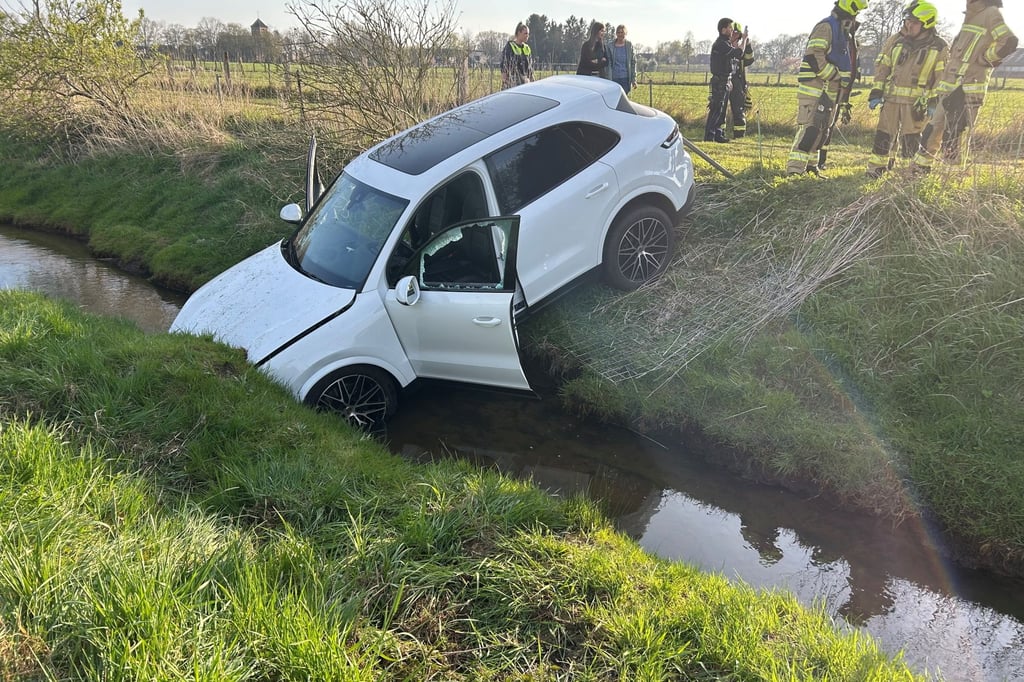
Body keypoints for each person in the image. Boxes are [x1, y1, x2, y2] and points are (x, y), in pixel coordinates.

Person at [910, 0, 1017, 172]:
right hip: (950, 88)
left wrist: (983, 60)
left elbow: (1009, 41)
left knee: (956, 135)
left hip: (968, 88)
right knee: (933, 129)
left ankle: (952, 178)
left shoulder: (991, 13)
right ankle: (920, 169)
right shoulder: (970, 16)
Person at [865, 2, 948, 178]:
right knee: (883, 135)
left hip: (917, 104)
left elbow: (941, 79)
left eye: (914, 22)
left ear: (927, 23)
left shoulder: (939, 47)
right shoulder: (897, 41)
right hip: (891, 99)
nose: (908, 25)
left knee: (912, 140)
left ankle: (910, 174)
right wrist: (876, 92)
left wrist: (934, 102)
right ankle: (876, 170)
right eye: (907, 21)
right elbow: (883, 68)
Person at [786, 0, 867, 177]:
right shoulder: (826, 27)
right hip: (816, 87)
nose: (855, 18)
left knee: (822, 131)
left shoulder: (843, 31)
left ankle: (811, 167)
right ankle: (794, 170)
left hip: (831, 91)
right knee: (810, 129)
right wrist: (835, 76)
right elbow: (815, 55)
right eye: (856, 13)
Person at [704, 18, 747, 143]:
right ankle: (709, 137)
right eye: (729, 27)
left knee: (721, 110)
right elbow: (738, 53)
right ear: (723, 30)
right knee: (716, 109)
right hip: (720, 81)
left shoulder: (726, 43)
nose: (732, 29)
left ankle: (718, 135)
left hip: (726, 80)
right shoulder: (721, 44)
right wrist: (744, 39)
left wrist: (729, 81)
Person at [723, 21, 755, 139]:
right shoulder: (723, 45)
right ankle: (719, 134)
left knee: (738, 111)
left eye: (737, 34)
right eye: (732, 32)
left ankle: (739, 135)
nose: (734, 35)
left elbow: (749, 60)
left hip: (737, 83)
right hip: (724, 81)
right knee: (721, 110)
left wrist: (747, 43)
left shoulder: (742, 47)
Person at [501, 22, 534, 89]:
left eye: (528, 34)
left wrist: (532, 82)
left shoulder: (527, 48)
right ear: (519, 33)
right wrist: (505, 82)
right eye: (525, 33)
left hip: (525, 83)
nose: (527, 36)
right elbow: (504, 65)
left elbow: (530, 69)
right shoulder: (510, 46)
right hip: (512, 82)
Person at [608, 24, 637, 94]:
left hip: (625, 79)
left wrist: (634, 80)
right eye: (618, 32)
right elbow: (608, 64)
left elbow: (633, 63)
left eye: (622, 32)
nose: (620, 34)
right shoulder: (610, 46)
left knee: (624, 101)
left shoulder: (629, 45)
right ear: (616, 33)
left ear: (625, 33)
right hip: (614, 78)